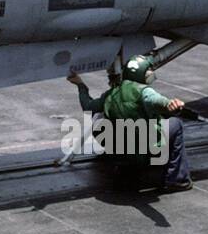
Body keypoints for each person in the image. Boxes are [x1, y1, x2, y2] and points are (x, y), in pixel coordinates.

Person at [68, 54, 192, 191]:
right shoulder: (144, 92)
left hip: (123, 152)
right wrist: (170, 105)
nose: (151, 73)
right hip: (146, 153)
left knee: (98, 122)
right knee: (176, 123)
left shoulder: (111, 94)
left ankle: (123, 162)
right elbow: (157, 101)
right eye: (148, 71)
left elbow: (88, 107)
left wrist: (81, 85)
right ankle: (177, 180)